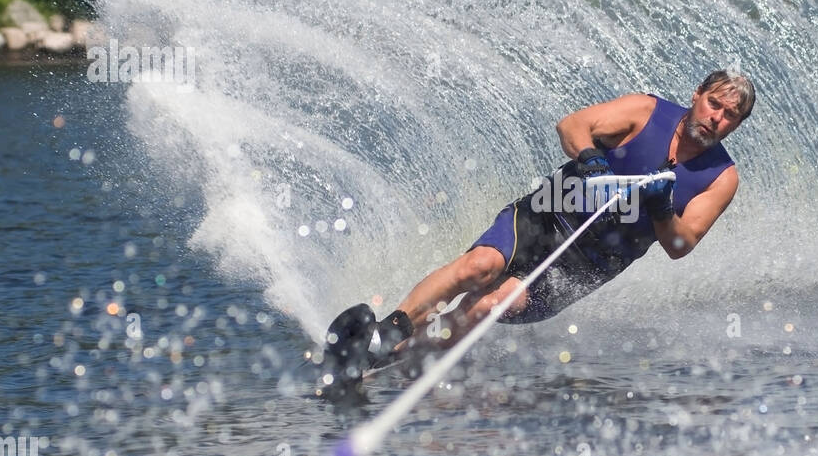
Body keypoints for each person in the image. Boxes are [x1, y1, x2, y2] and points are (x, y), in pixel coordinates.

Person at [322, 70, 755, 377]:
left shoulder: (721, 177)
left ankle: (403, 354)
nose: (716, 117)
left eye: (729, 116)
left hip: (585, 264)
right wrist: (590, 158)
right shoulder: (646, 112)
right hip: (546, 214)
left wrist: (663, 210)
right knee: (479, 268)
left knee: (493, 304)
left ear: (737, 124)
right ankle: (387, 331)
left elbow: (682, 244)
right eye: (713, 103)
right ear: (697, 94)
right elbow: (572, 125)